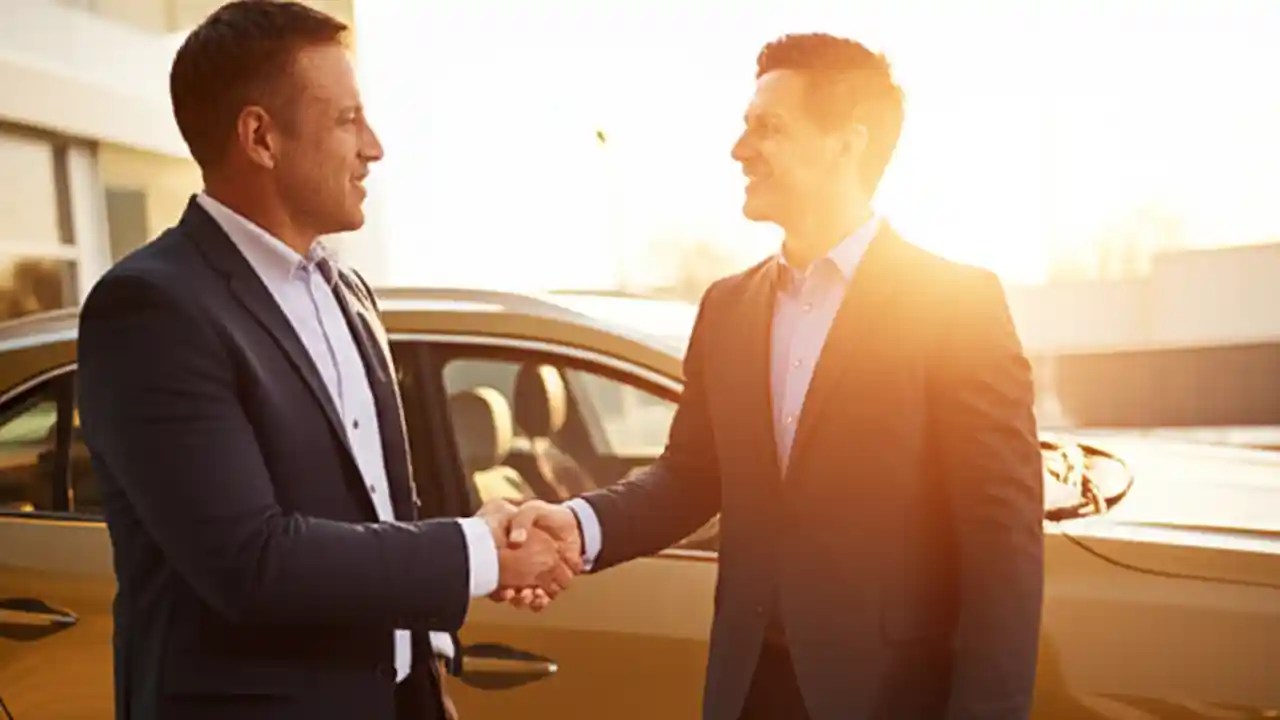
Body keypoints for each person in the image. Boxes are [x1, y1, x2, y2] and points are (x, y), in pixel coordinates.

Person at [503, 33, 1045, 719]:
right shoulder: (728, 308)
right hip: (750, 690)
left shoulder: (956, 304)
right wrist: (581, 524)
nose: (740, 150)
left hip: (895, 697)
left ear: (847, 143)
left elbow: (1002, 543)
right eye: (745, 127)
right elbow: (691, 475)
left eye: (769, 128)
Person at [76, 3, 573, 719]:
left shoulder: (346, 289)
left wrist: (420, 674)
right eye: (347, 120)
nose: (374, 147)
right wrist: (478, 553)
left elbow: (370, 510)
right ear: (260, 137)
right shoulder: (151, 310)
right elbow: (252, 562)